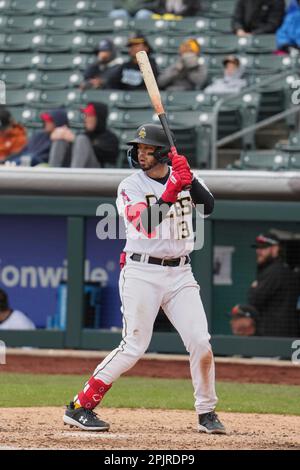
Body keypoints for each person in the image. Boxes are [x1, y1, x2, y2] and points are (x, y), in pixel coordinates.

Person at [63, 123, 226, 435]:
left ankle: (207, 412)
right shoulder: (130, 185)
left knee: (201, 341)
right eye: (138, 148)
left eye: (148, 149)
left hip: (181, 273)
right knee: (135, 345)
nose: (140, 153)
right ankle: (81, 406)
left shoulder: (182, 176)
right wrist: (173, 189)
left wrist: (188, 178)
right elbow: (146, 224)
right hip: (142, 272)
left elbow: (208, 207)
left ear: (163, 152)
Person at [247, 233, 299, 337]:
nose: (258, 251)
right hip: (282, 333)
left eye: (263, 248)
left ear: (275, 249)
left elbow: (254, 299)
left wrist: (253, 288)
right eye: (257, 248)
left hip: (273, 334)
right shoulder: (278, 269)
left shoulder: (275, 272)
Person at [49, 102, 119, 168]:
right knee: (61, 139)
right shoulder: (83, 134)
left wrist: (74, 139)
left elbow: (106, 158)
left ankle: (73, 176)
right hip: (72, 168)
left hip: (96, 174)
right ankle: (52, 174)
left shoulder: (110, 138)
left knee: (81, 139)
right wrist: (58, 135)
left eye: (90, 116)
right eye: (86, 115)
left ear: (99, 118)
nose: (86, 119)